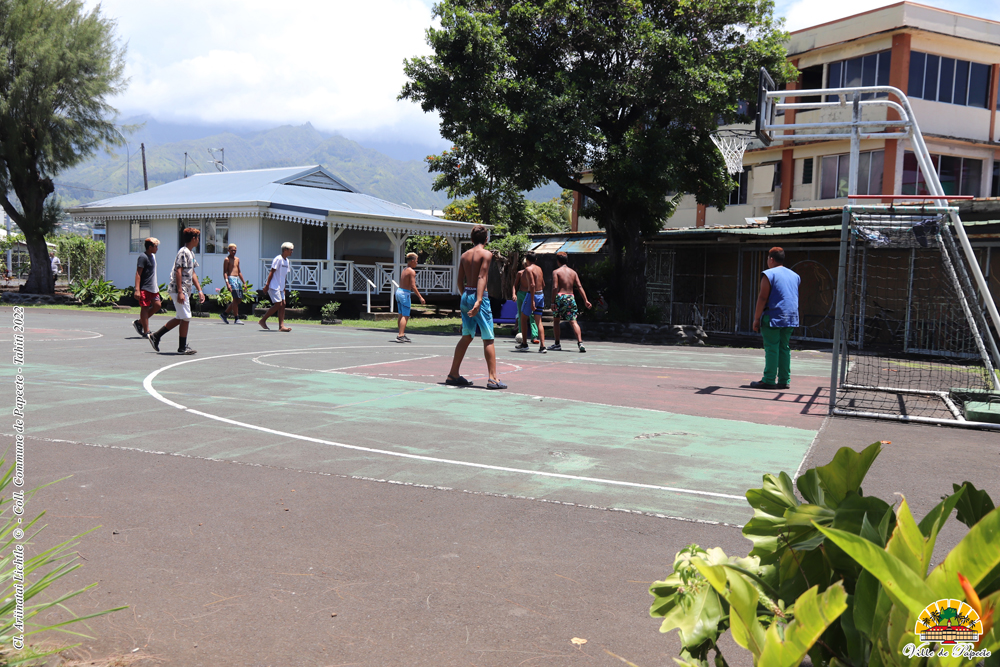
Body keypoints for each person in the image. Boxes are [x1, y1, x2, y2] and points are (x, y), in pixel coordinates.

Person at [446, 225, 505, 389]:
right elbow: (482, 276)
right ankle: (493, 378)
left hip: (465, 295)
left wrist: (466, 298)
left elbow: (459, 280)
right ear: (486, 239)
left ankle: (453, 374)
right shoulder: (487, 254)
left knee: (467, 336)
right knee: (488, 338)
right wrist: (478, 301)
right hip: (480, 298)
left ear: (472, 239)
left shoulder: (465, 255)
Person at [148, 228, 205, 355]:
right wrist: (180, 291)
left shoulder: (191, 253)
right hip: (179, 289)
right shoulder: (183, 252)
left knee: (181, 317)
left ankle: (156, 336)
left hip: (184, 289)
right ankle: (181, 347)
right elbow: (178, 271)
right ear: (194, 238)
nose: (198, 241)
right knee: (186, 317)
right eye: (198, 238)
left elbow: (193, 273)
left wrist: (200, 290)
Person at [751, 246, 800, 390]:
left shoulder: (769, 274)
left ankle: (769, 379)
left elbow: (762, 297)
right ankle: (784, 380)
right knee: (784, 347)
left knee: (772, 347)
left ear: (771, 259)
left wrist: (756, 318)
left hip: (773, 316)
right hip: (790, 316)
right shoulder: (795, 275)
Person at [549, 252, 592, 352]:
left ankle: (557, 343)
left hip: (560, 297)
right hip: (571, 297)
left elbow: (555, 287)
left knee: (556, 320)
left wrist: (552, 302)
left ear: (558, 261)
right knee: (573, 321)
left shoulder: (556, 272)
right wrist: (586, 300)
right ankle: (580, 342)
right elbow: (580, 287)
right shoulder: (573, 272)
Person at [517, 251, 547, 353]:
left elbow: (532, 285)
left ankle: (524, 344)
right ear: (536, 259)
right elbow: (543, 284)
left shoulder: (528, 269)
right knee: (538, 320)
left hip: (532, 295)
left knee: (523, 318)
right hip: (541, 294)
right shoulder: (539, 269)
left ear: (527, 260)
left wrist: (532, 301)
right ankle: (542, 346)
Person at [260, 242, 293, 332]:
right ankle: (262, 320)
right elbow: (272, 272)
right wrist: (267, 285)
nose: (292, 252)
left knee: (283, 305)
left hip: (281, 288)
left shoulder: (287, 261)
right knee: (278, 304)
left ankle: (281, 326)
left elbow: (284, 276)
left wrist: (284, 288)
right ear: (285, 250)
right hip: (274, 286)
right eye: (291, 250)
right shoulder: (278, 259)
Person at [132, 237, 161, 338]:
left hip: (153, 287)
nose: (157, 248)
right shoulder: (143, 257)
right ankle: (146, 331)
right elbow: (138, 274)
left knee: (157, 305)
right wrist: (137, 289)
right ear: (150, 247)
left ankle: (140, 322)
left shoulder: (153, 256)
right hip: (145, 287)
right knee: (145, 308)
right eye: (156, 247)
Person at [396, 252, 426, 343]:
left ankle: (401, 333)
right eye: (416, 261)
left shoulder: (404, 269)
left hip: (399, 292)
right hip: (405, 294)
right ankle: (400, 335)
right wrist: (420, 297)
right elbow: (413, 286)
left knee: (401, 314)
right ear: (412, 261)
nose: (417, 263)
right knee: (405, 315)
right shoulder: (412, 271)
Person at [513, 261, 539, 345]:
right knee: (521, 315)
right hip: (521, 294)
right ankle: (521, 335)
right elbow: (515, 285)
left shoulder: (534, 272)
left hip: (529, 294)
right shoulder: (520, 273)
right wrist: (514, 294)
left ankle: (534, 336)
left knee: (531, 315)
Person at [221, 243, 246, 324]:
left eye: (235, 250)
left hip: (237, 279)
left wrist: (244, 283)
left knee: (239, 299)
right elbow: (225, 272)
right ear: (228, 250)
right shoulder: (227, 260)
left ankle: (224, 314)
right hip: (231, 279)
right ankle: (236, 318)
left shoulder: (237, 259)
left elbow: (239, 272)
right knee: (235, 298)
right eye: (232, 250)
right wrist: (227, 283)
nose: (234, 252)